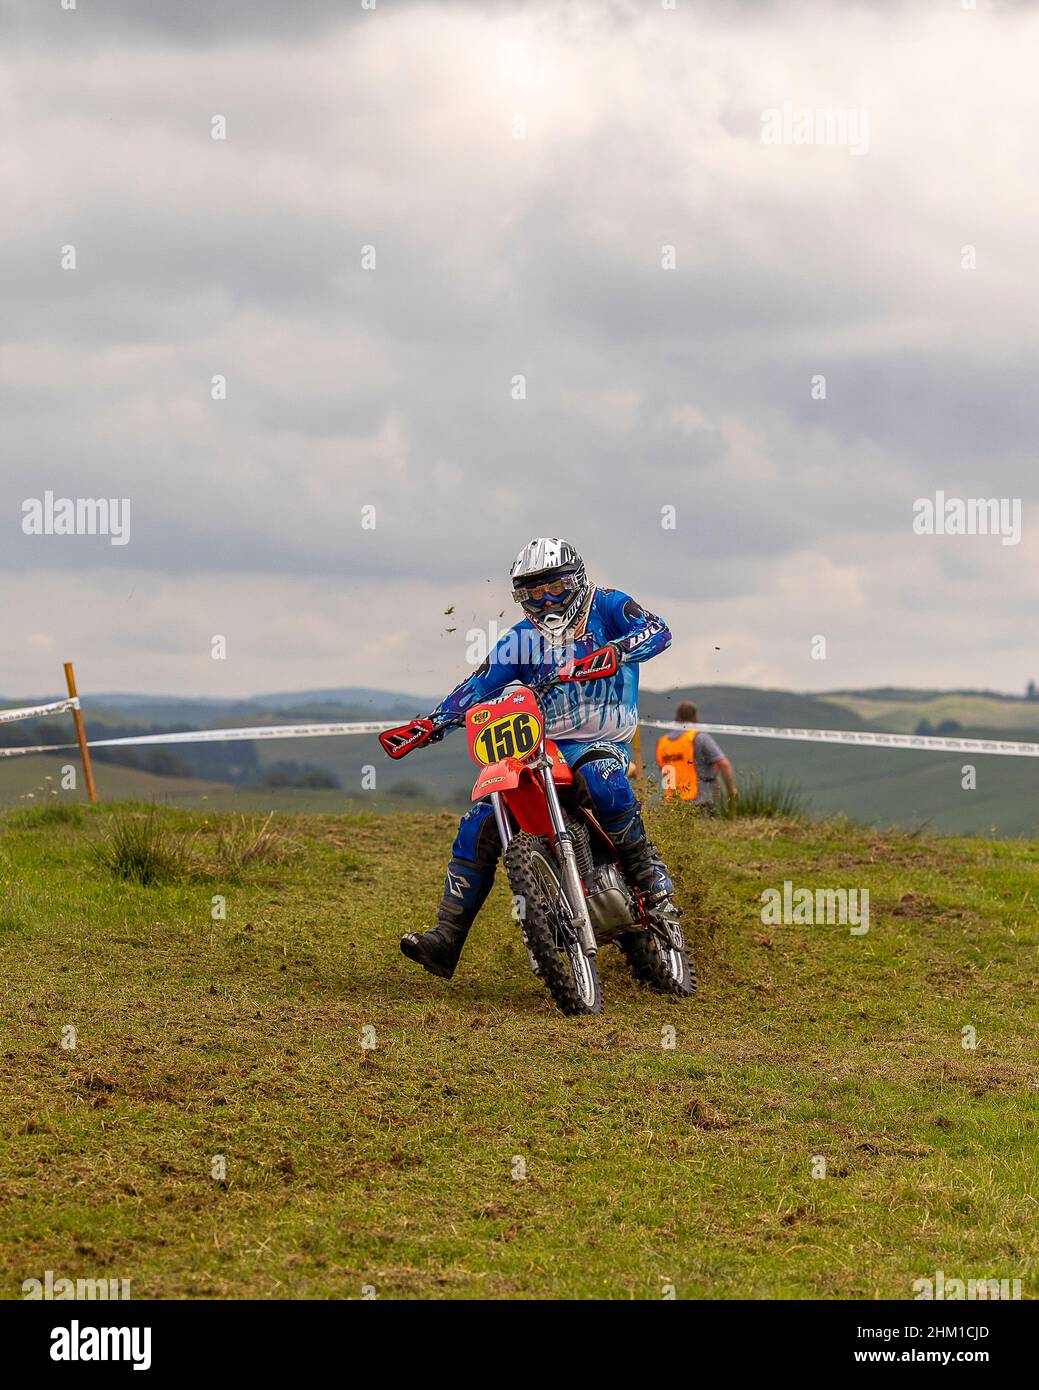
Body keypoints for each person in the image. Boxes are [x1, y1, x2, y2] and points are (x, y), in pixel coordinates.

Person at [400, 537, 676, 980]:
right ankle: (446, 938)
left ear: (578, 580)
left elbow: (658, 631)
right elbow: (481, 685)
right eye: (532, 593)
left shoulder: (609, 607)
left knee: (603, 781)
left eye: (555, 587)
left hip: (603, 741)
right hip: (542, 747)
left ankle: (644, 867)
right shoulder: (522, 639)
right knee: (480, 819)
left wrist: (618, 650)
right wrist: (430, 724)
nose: (545, 599)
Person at [655, 702, 737, 809]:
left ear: (676, 717)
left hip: (673, 805)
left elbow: (663, 768)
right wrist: (731, 791)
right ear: (695, 717)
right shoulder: (699, 738)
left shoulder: (662, 743)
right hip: (700, 801)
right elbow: (724, 764)